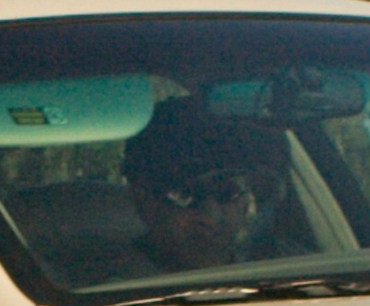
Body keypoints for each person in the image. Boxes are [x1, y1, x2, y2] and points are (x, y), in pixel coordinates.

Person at [120, 95, 286, 274]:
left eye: (228, 193)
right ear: (143, 199)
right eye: (185, 195)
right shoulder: (112, 285)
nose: (210, 217)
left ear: (248, 198)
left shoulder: (289, 268)